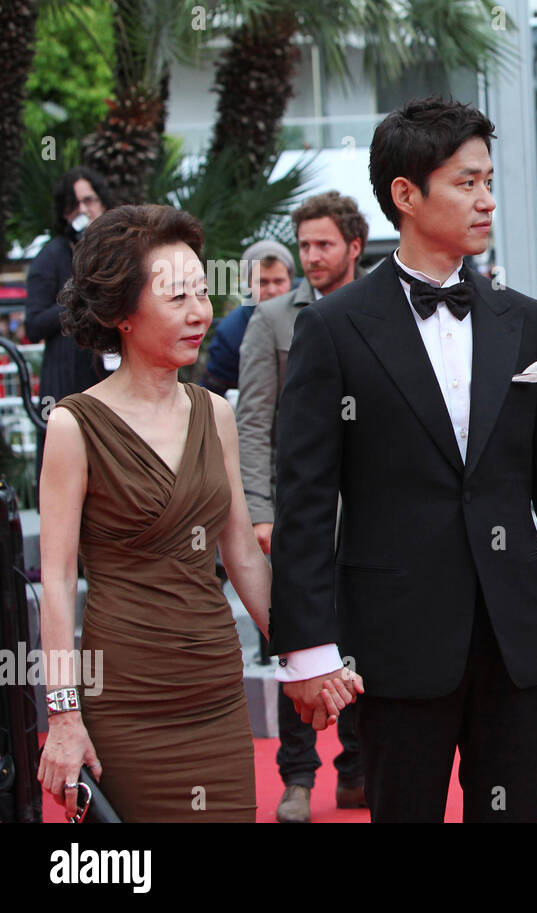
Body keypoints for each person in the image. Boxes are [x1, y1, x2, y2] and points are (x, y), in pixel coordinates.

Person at [269, 96, 537, 823]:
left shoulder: (522, 317)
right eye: (467, 182)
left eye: (489, 180)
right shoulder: (334, 328)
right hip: (395, 638)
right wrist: (306, 644)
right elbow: (305, 494)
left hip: (514, 630)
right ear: (406, 194)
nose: (487, 199)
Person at [34, 205, 353, 821]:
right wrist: (65, 716)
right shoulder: (75, 424)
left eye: (203, 292)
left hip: (213, 688)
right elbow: (54, 581)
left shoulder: (216, 414)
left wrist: (308, 656)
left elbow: (241, 556)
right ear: (123, 313)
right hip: (124, 695)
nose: (200, 312)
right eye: (177, 296)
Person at [236, 193, 369, 824]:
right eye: (305, 246)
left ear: (354, 246)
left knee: (366, 645)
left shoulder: (380, 308)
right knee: (296, 643)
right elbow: (253, 423)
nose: (312, 256)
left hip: (371, 514)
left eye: (323, 244)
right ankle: (296, 779)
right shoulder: (271, 320)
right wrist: (261, 513)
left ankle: (357, 772)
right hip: (296, 516)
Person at [25, 167, 116, 495]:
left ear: (103, 202)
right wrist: (80, 296)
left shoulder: (116, 253)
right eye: (74, 204)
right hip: (67, 385)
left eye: (89, 200)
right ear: (64, 214)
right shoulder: (51, 257)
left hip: (112, 382)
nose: (84, 210)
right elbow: (33, 323)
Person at [200, 239, 296, 395]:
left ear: (290, 281)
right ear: (249, 283)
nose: (272, 290)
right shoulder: (230, 333)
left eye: (279, 281)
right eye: (263, 282)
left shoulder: (311, 311)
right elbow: (212, 394)